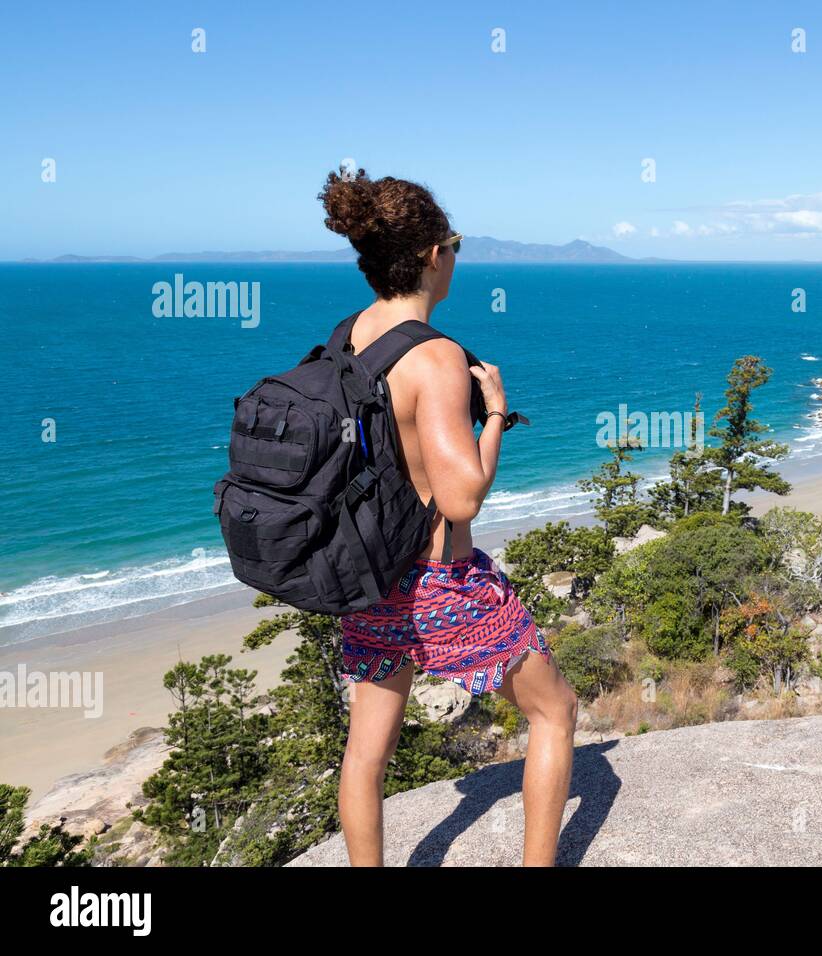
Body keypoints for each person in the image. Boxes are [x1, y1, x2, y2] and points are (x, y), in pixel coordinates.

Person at [318, 167, 577, 866]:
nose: (457, 256)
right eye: (455, 244)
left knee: (366, 755)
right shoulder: (433, 357)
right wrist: (494, 413)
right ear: (435, 255)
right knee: (555, 711)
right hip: (440, 581)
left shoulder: (347, 338)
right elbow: (461, 497)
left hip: (368, 577)